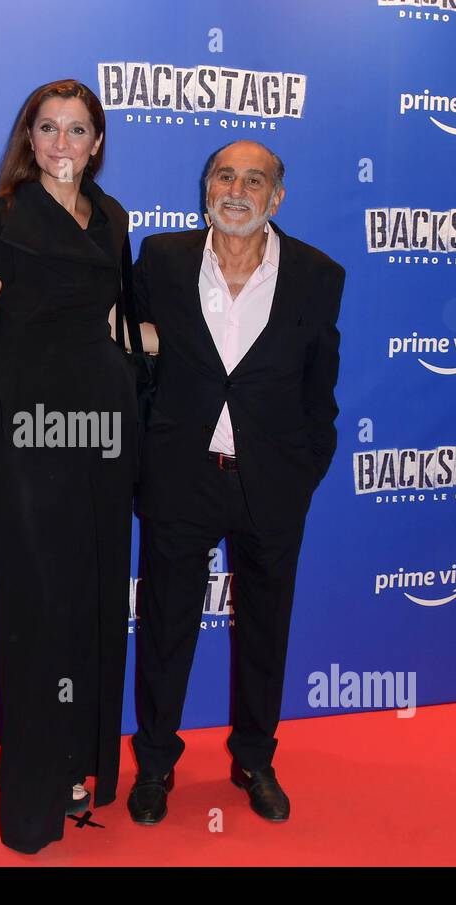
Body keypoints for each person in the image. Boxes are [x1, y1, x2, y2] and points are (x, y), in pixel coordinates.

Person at [0, 79, 139, 854]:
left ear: (97, 141)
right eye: (48, 129)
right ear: (30, 138)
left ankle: (76, 772)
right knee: (36, 607)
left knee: (93, 598)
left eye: (78, 130)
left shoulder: (115, 218)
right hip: (23, 428)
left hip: (102, 425)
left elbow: (118, 320)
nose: (63, 144)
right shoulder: (4, 220)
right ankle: (30, 808)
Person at [125, 140, 346, 825]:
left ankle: (255, 759)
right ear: (205, 188)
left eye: (256, 179)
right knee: (165, 626)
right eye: (225, 175)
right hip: (180, 478)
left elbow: (320, 389)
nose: (238, 189)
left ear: (277, 197)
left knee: (265, 629)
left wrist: (303, 469)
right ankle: (156, 765)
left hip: (273, 484)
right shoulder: (161, 260)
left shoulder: (318, 273)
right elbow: (131, 363)